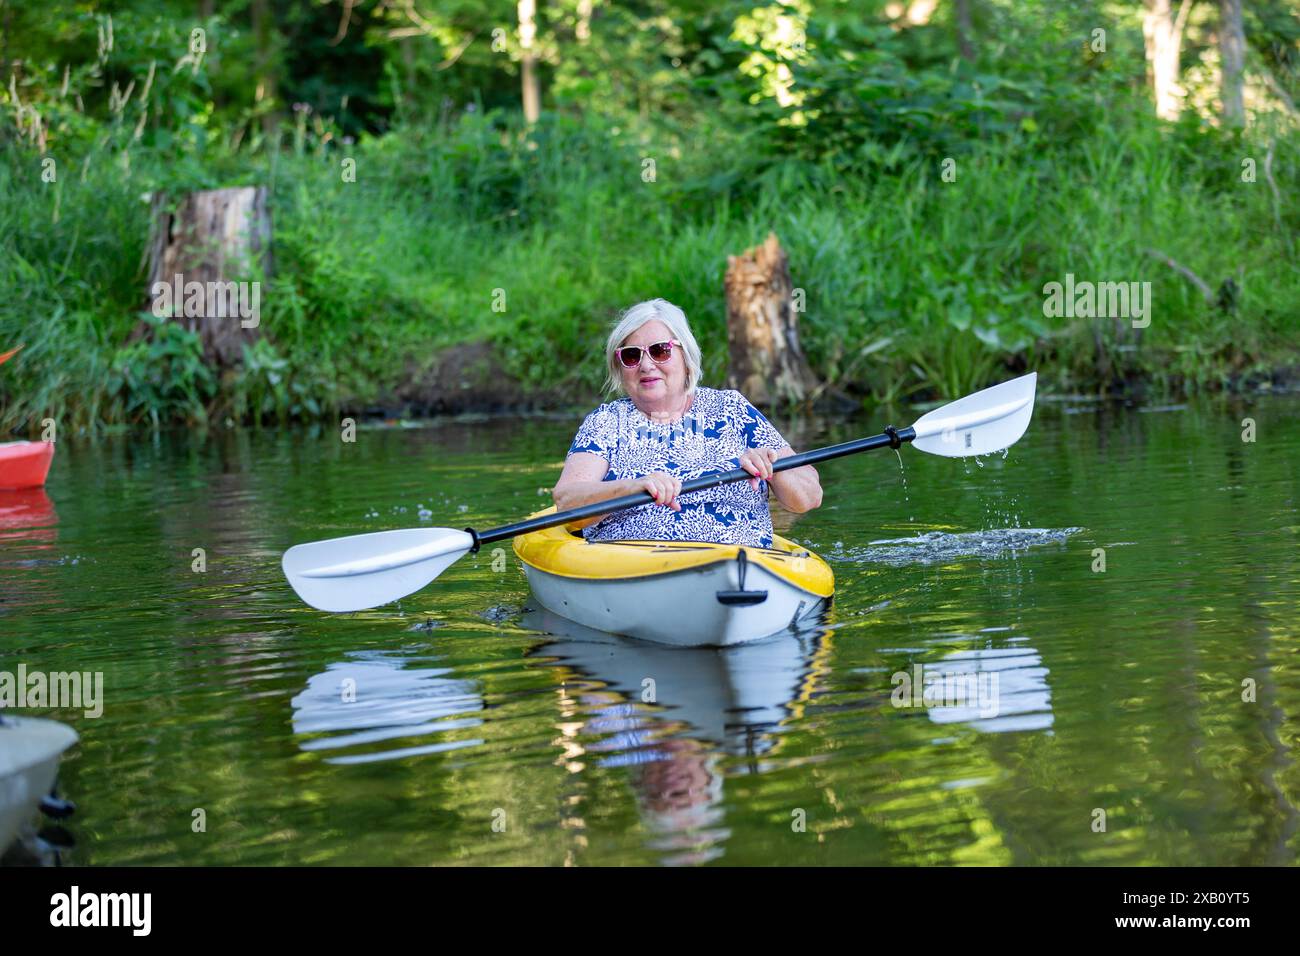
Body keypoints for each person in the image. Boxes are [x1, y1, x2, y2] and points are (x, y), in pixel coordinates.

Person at [552, 298, 822, 546]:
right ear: (620, 367)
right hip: (635, 568)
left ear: (686, 357)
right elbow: (567, 504)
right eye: (632, 355)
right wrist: (634, 486)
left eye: (659, 351)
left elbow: (809, 498)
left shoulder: (732, 408)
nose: (646, 365)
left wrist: (773, 466)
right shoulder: (607, 422)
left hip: (743, 562)